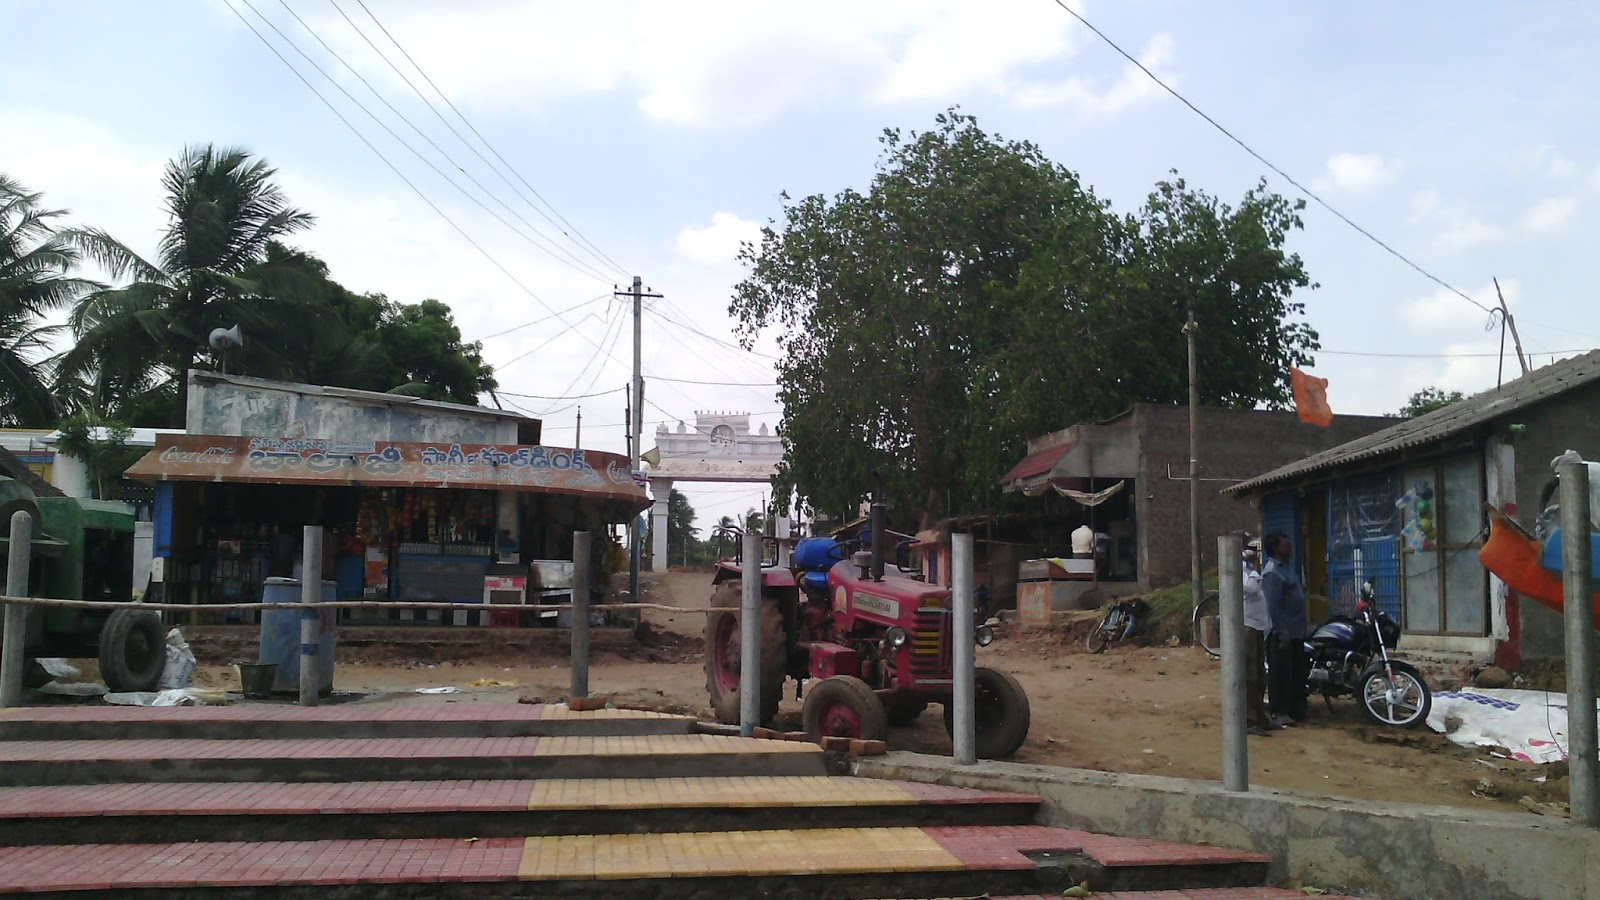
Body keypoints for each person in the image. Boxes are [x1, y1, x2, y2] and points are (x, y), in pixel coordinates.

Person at [1261, 532, 1310, 727]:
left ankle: (1296, 711)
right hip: (1283, 633)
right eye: (1285, 544)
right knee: (1281, 674)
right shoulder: (1272, 572)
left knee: (1297, 674)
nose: (1290, 547)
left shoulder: (1288, 569)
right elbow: (1272, 606)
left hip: (1296, 631)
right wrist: (1281, 631)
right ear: (1275, 548)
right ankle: (1280, 711)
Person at [1241, 537, 1277, 735]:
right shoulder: (1237, 569)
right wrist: (1255, 568)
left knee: (1259, 676)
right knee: (1250, 675)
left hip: (1257, 625)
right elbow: (1252, 588)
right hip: (1247, 625)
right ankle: (1250, 720)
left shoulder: (1249, 568)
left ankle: (1261, 718)